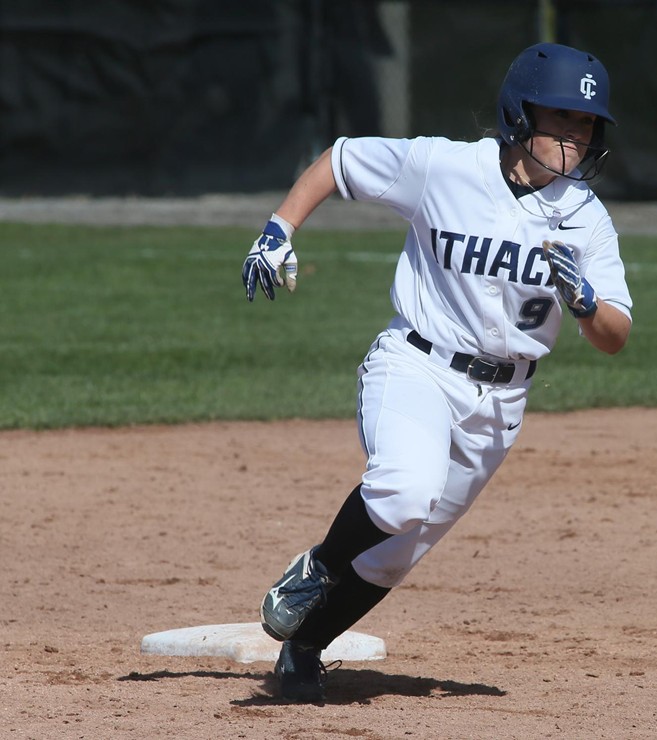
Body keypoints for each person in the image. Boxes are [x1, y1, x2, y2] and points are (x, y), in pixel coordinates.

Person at [240, 42, 632, 702]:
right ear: (518, 114)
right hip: (417, 366)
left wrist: (586, 304)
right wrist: (279, 228)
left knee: (395, 554)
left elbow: (615, 334)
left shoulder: (586, 217)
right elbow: (340, 161)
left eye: (585, 123)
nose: (574, 134)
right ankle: (317, 566)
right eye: (560, 117)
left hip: (500, 405)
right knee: (403, 490)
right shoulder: (446, 167)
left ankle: (304, 649)